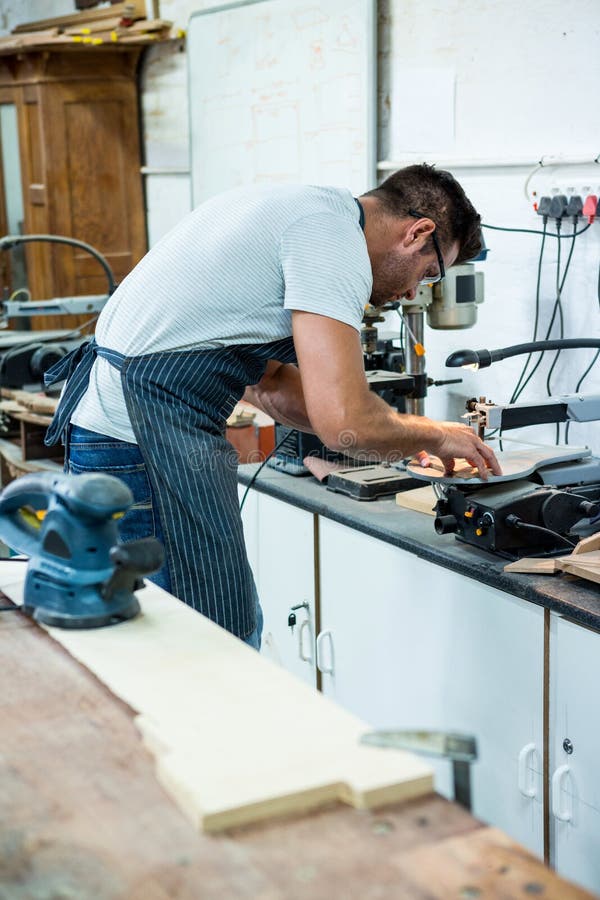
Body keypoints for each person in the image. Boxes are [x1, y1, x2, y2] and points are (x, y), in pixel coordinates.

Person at [44, 164, 501, 648]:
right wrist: (433, 433)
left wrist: (395, 437)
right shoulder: (333, 242)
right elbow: (343, 422)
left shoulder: (302, 209)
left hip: (108, 436)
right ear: (418, 232)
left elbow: (270, 383)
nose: (413, 292)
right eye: (428, 273)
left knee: (152, 630)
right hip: (144, 449)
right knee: (213, 639)